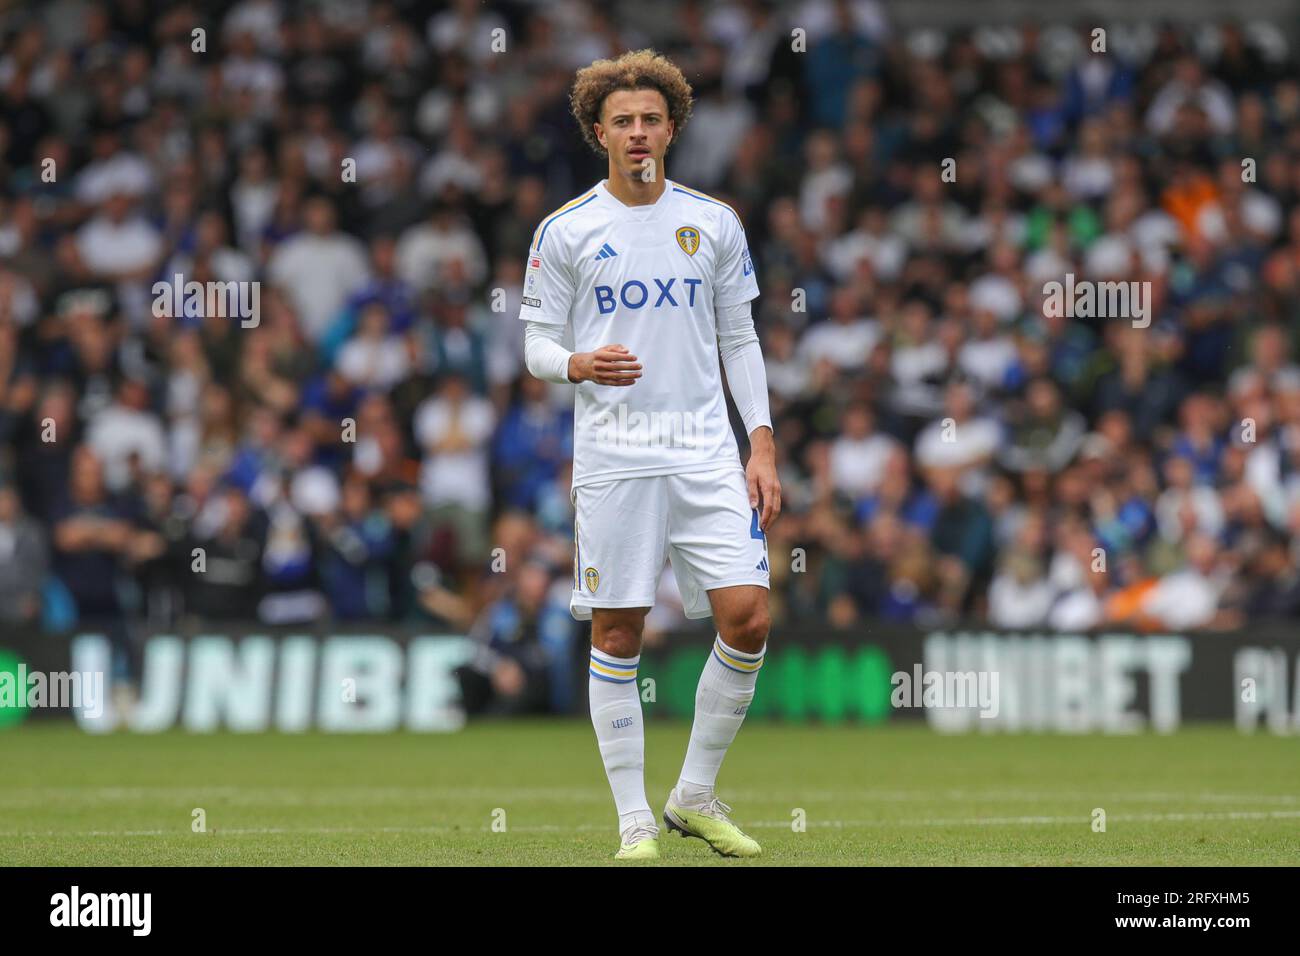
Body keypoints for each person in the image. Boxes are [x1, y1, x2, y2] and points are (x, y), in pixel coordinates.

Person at [518, 50, 780, 860]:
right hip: (616, 454)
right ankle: (634, 818)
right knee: (619, 633)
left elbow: (739, 336)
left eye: (651, 120)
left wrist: (761, 441)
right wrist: (577, 363)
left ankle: (693, 796)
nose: (638, 132)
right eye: (623, 121)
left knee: (749, 617)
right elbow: (533, 342)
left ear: (672, 129)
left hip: (704, 450)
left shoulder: (716, 222)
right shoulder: (566, 230)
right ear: (600, 132)